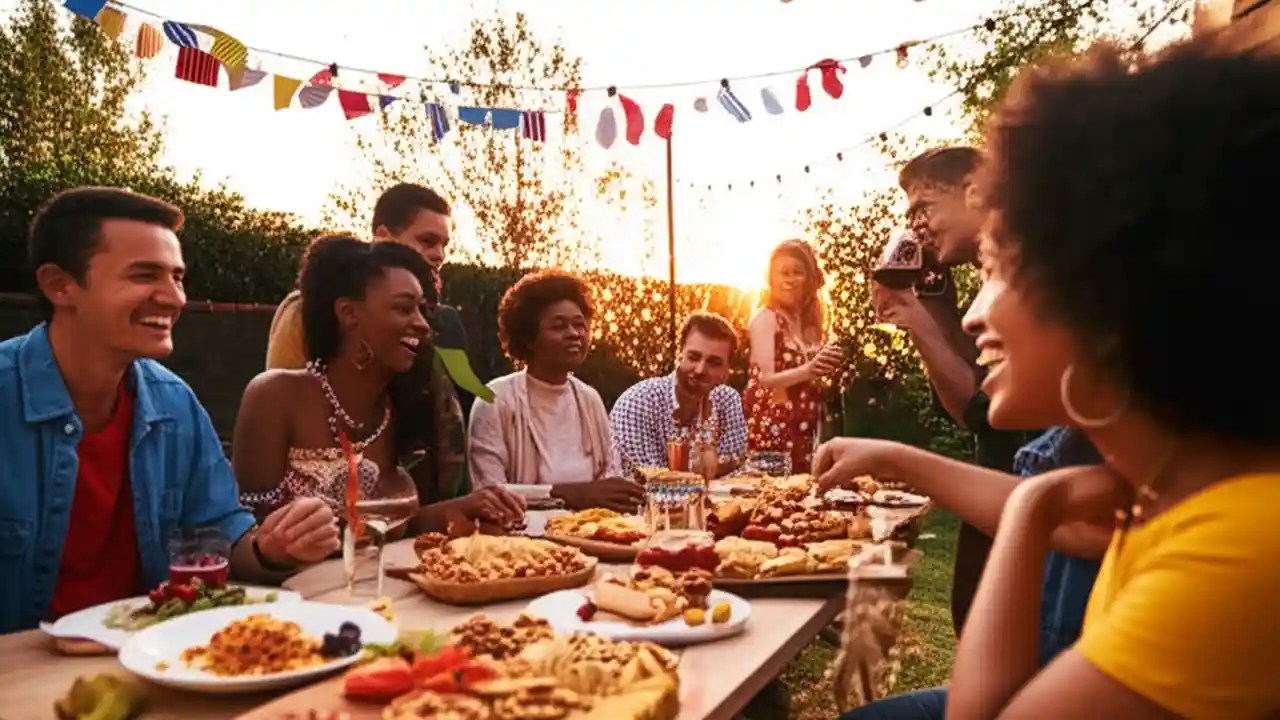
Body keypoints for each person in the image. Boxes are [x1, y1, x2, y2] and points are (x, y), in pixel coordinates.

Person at [944, 41, 1280, 719]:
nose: (976, 316)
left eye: (998, 265)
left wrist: (1029, 509)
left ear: (1108, 289)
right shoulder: (1172, 499)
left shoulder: (1248, 542)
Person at [0, 187, 338, 633]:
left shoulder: (174, 405)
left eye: (177, 277)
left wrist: (270, 549)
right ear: (60, 286)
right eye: (145, 275)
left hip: (149, 659)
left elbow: (225, 536)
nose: (174, 298)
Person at [235, 235, 523, 535]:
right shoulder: (275, 398)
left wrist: (460, 509)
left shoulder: (400, 408)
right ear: (349, 313)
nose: (422, 324)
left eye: (422, 310)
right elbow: (246, 535)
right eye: (403, 308)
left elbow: (394, 531)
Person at [874, 146, 1033, 636]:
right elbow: (968, 394)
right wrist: (931, 301)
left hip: (1021, 492)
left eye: (924, 207)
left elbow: (982, 409)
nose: (915, 225)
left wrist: (913, 316)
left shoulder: (1029, 272)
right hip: (1005, 483)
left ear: (973, 190)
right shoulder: (983, 282)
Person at [264, 183, 472, 500]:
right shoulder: (304, 313)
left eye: (445, 244)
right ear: (382, 236)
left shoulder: (443, 322)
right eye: (427, 240)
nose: (438, 255)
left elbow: (451, 427)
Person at [468, 270, 643, 513]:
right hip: (521, 541)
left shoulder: (589, 399)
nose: (574, 334)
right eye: (559, 326)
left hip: (590, 534)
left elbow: (607, 478)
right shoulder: (496, 400)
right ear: (528, 338)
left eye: (580, 325)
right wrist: (568, 495)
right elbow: (490, 494)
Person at [742, 239, 843, 473]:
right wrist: (809, 370)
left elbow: (812, 378)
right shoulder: (765, 319)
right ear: (771, 279)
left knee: (804, 497)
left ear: (809, 278)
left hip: (805, 427)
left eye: (797, 272)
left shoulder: (810, 322)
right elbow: (764, 379)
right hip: (772, 430)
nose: (789, 279)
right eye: (783, 273)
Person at [610, 311, 747, 477]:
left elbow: (735, 473)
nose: (700, 369)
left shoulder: (727, 400)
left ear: (726, 370)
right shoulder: (639, 402)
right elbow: (651, 483)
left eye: (714, 362)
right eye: (693, 357)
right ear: (679, 354)